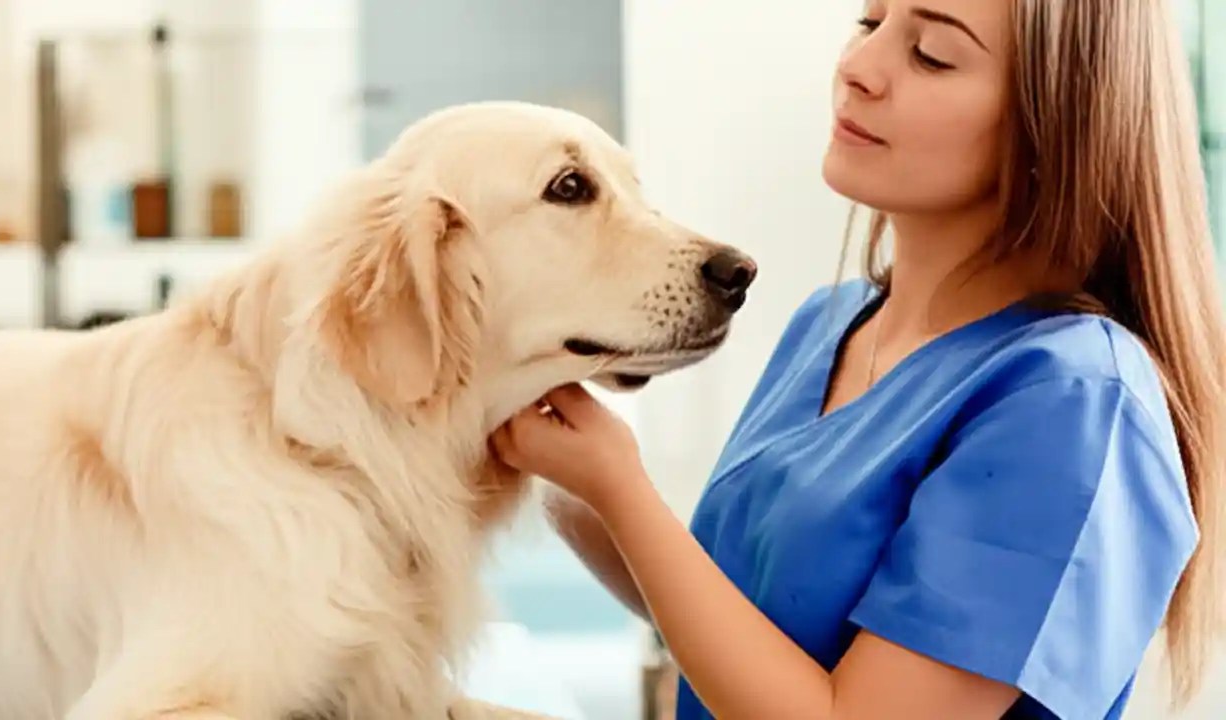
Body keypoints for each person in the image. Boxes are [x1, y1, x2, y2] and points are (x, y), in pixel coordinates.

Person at [489, 0, 1226, 718]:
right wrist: (547, 452)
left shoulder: (1074, 402)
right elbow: (739, 622)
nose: (859, 67)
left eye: (931, 55)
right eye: (869, 24)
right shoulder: (832, 323)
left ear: (1057, 126)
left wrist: (617, 483)